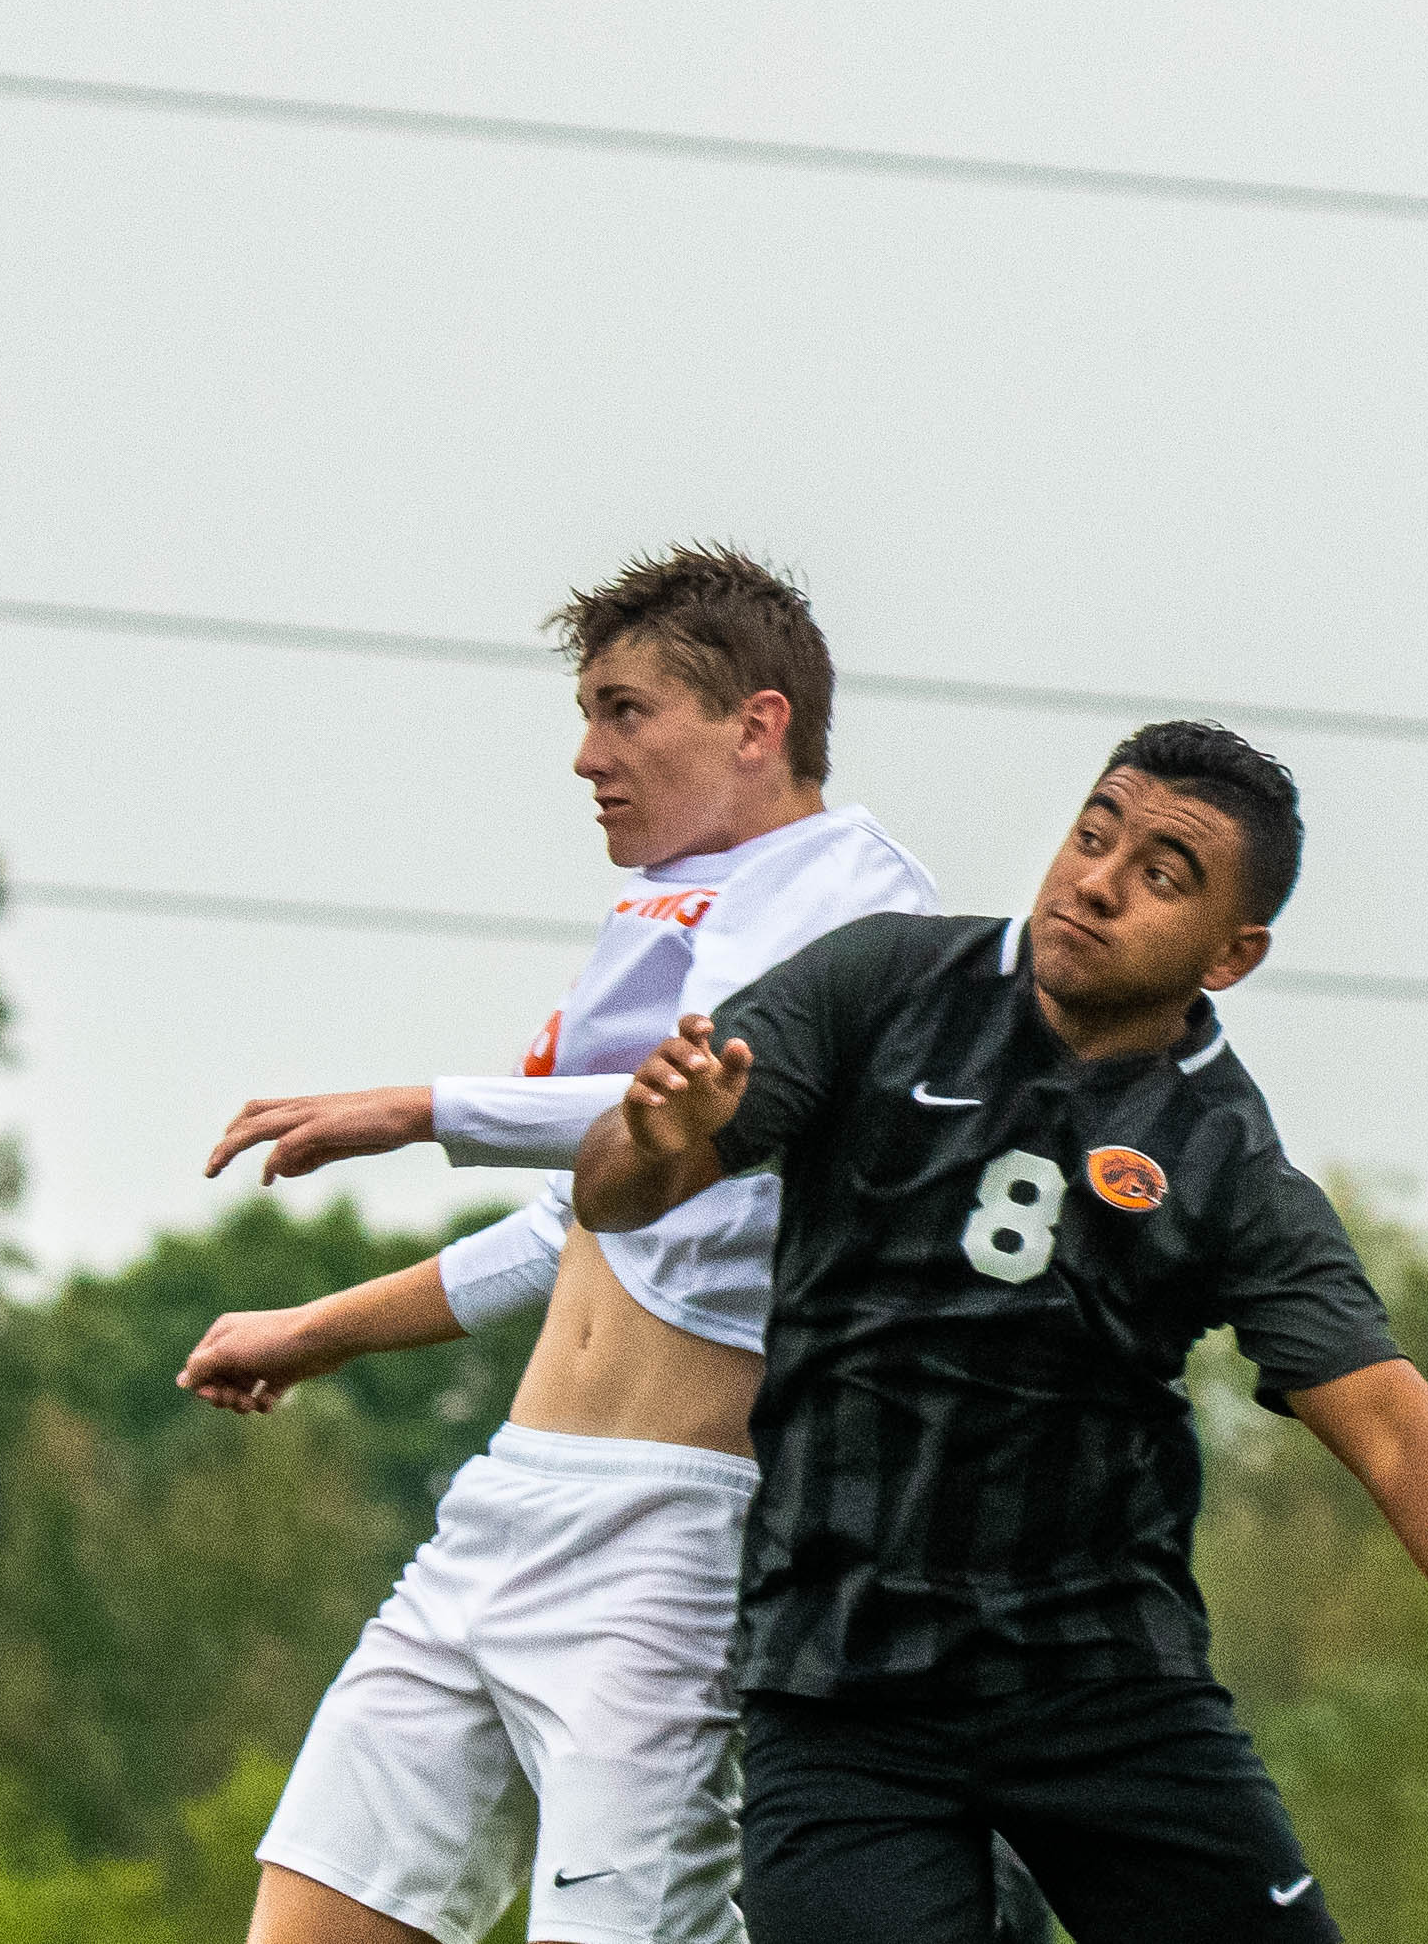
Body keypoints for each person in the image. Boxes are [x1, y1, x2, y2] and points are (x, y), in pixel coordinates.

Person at [574, 721, 1428, 1942]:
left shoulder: (1225, 1157)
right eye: (1092, 834)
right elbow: (614, 1194)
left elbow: (1387, 1416)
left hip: (1101, 1689)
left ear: (1231, 953)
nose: (1097, 882)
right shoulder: (881, 982)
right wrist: (656, 1136)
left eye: (1160, 873)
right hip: (841, 1684)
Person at [181, 547, 1024, 1944]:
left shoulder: (849, 894)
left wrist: (416, 1106)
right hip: (501, 1507)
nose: (587, 755)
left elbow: (706, 1101)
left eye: (623, 710)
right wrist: (314, 1331)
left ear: (755, 724)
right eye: (585, 714)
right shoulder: (673, 905)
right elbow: (572, 1222)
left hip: (666, 1543)